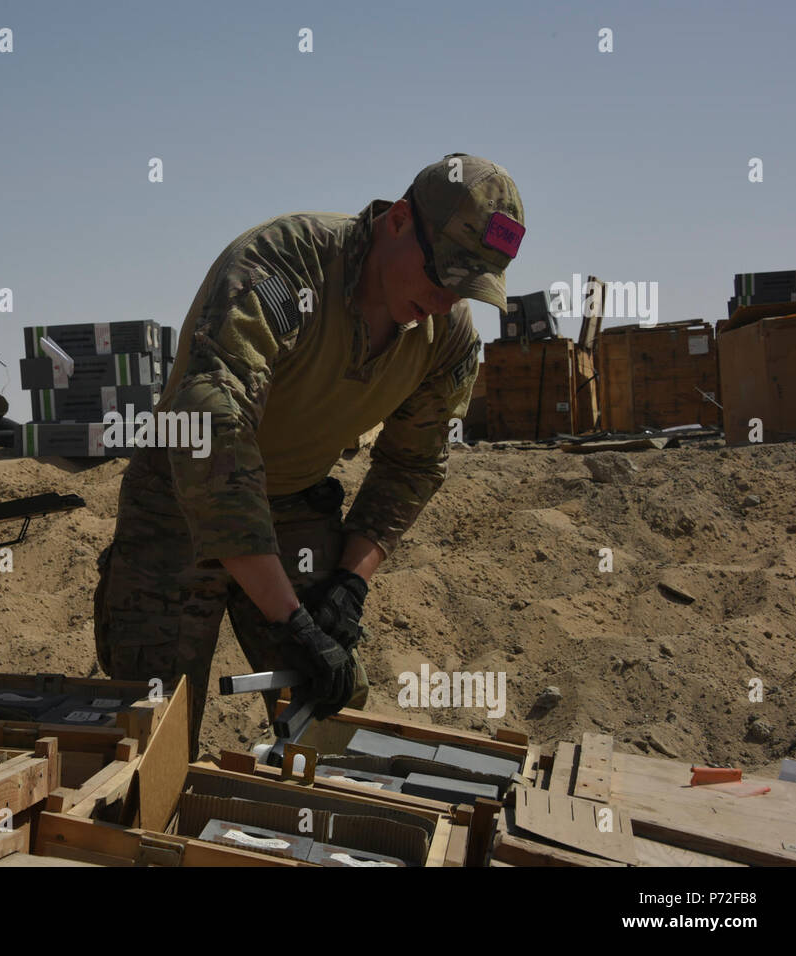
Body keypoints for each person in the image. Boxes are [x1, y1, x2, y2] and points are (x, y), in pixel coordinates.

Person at [94, 155, 525, 753]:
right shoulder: (284, 264)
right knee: (149, 725)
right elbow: (211, 427)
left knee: (333, 699)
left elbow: (412, 466)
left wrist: (349, 584)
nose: (446, 300)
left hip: (293, 503)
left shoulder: (446, 340)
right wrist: (288, 616)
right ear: (398, 221)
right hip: (180, 501)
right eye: (442, 274)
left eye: (466, 288)